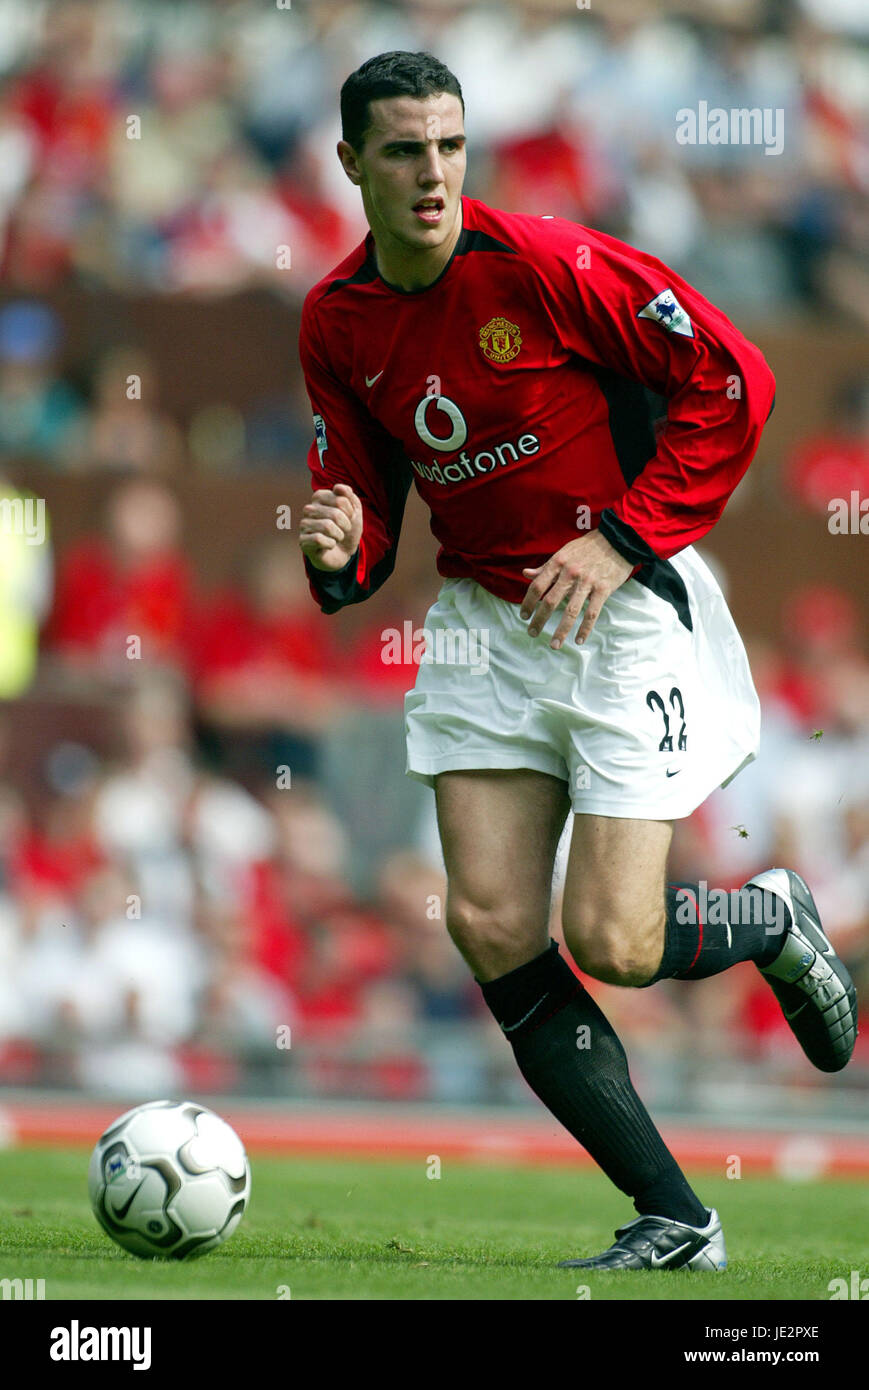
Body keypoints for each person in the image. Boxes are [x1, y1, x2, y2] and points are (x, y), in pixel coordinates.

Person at [297, 51, 858, 1271]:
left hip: (617, 610)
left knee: (611, 937)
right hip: (485, 623)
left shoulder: (548, 263)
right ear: (351, 164)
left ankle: (764, 916)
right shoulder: (337, 320)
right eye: (402, 150)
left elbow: (731, 376)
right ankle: (676, 1216)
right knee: (494, 922)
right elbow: (365, 498)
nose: (432, 173)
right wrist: (341, 543)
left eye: (448, 145)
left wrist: (617, 538)